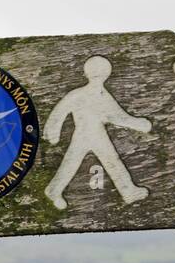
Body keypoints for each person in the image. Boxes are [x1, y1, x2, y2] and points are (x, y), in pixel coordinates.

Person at [44, 55, 151, 210]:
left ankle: (128, 191)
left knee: (109, 161)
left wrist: (138, 124)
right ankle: (54, 190)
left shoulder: (102, 95)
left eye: (100, 71)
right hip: (84, 135)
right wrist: (52, 131)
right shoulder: (79, 94)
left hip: (96, 135)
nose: (98, 75)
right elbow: (60, 111)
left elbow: (117, 116)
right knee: (75, 163)